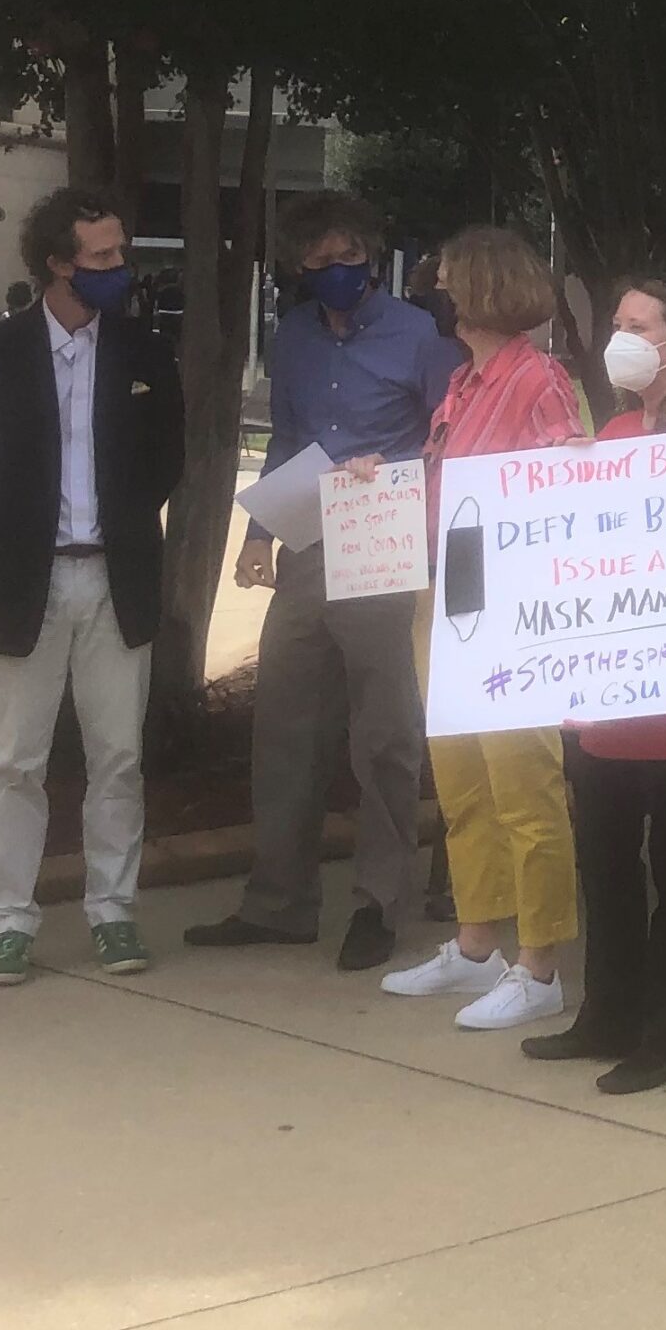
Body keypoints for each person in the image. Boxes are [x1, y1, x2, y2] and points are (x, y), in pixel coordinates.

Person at [185, 193, 461, 971]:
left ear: (371, 258)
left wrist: (396, 470)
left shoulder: (420, 337)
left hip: (386, 547)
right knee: (285, 726)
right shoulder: (295, 337)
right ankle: (278, 903)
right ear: (297, 268)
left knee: (385, 736)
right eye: (321, 261)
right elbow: (287, 442)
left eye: (350, 257)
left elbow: (449, 447)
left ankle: (379, 903)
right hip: (309, 541)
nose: (338, 272)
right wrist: (258, 536)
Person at [519, 277, 666, 1092]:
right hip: (606, 688)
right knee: (604, 852)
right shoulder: (611, 430)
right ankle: (608, 1012)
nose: (619, 337)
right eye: (616, 323)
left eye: (636, 325)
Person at [0, 186, 184, 985]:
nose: (119, 267)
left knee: (118, 757)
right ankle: (8, 922)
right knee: (16, 762)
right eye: (102, 256)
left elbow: (169, 456)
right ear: (58, 264)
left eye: (119, 251)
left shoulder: (143, 351)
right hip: (23, 580)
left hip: (116, 577)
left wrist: (120, 524)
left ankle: (113, 912)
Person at [377, 226, 583, 1030]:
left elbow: (567, 487)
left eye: (451, 282)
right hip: (446, 595)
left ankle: (540, 965)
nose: (440, 295)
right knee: (463, 784)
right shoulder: (466, 382)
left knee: (525, 785)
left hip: (508, 604)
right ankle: (475, 945)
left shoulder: (539, 379)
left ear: (485, 290)